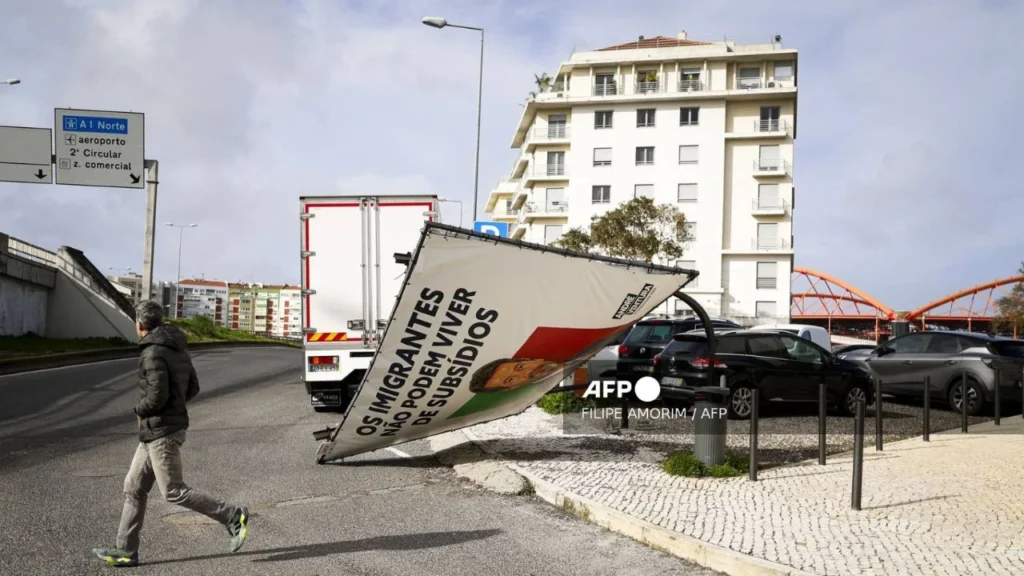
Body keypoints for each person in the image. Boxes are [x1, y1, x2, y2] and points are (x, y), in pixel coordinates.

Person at [92, 301, 250, 567]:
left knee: (173, 491)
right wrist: (174, 406)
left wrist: (138, 409)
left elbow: (156, 396)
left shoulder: (152, 353)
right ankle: (126, 550)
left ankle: (233, 515)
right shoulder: (176, 348)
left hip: (161, 431)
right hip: (158, 430)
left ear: (139, 324)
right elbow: (193, 387)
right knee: (133, 487)